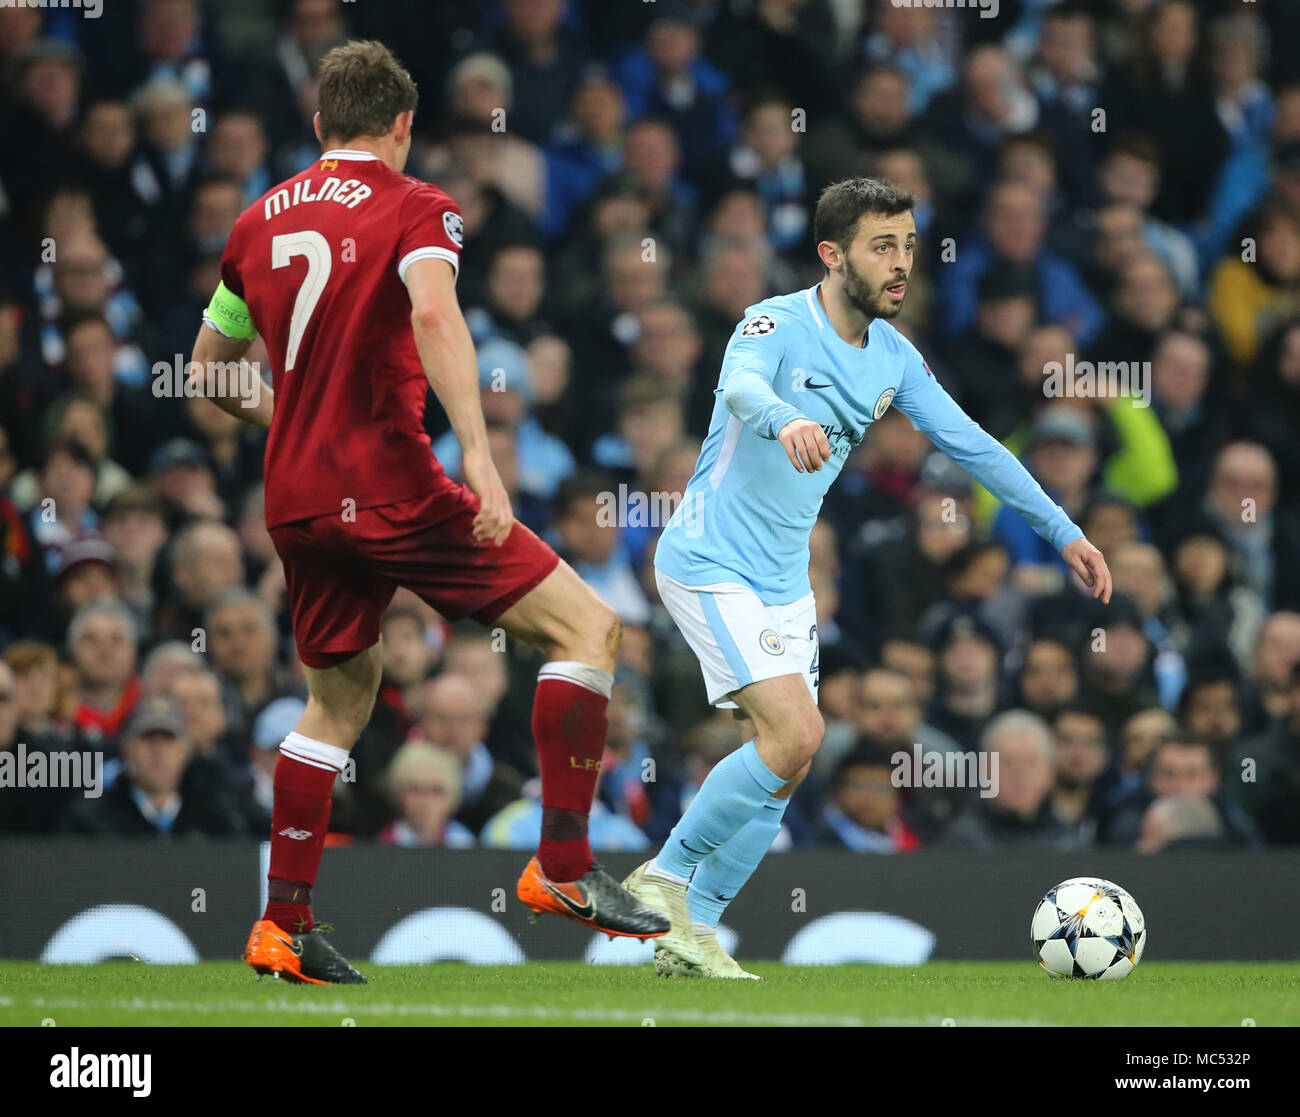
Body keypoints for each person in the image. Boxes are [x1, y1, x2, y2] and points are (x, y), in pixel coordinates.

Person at [186, 41, 667, 985]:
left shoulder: (252, 224)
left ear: (320, 124)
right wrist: (480, 459)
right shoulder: (420, 207)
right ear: (402, 126)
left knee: (335, 702)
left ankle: (282, 922)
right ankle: (563, 865)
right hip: (394, 484)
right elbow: (438, 318)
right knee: (590, 627)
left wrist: (296, 422)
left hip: (296, 497)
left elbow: (204, 372)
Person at [623, 176, 1113, 980]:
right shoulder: (774, 321)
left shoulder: (893, 356)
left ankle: (695, 930)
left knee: (788, 759)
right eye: (883, 246)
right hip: (709, 558)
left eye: (910, 246)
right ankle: (664, 878)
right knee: (799, 733)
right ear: (832, 253)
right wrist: (790, 417)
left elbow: (976, 446)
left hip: (783, 579)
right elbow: (740, 387)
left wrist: (1063, 530)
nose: (901, 265)